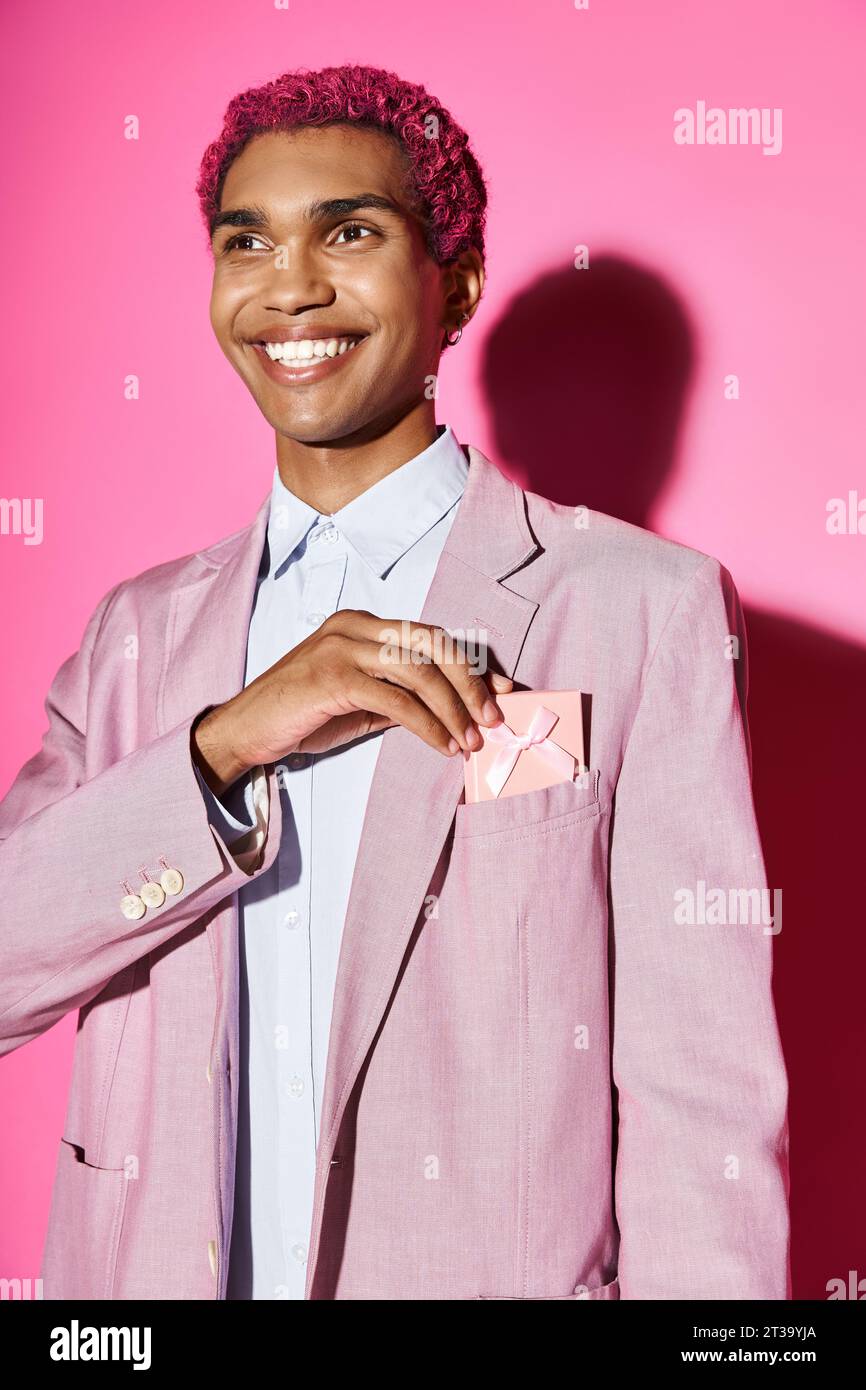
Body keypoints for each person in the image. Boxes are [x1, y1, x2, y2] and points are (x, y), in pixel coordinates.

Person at [0, 63, 790, 1300]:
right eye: (245, 239)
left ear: (454, 286)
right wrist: (224, 745)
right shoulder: (135, 637)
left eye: (350, 232)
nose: (290, 284)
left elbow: (704, 1096)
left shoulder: (643, 608)